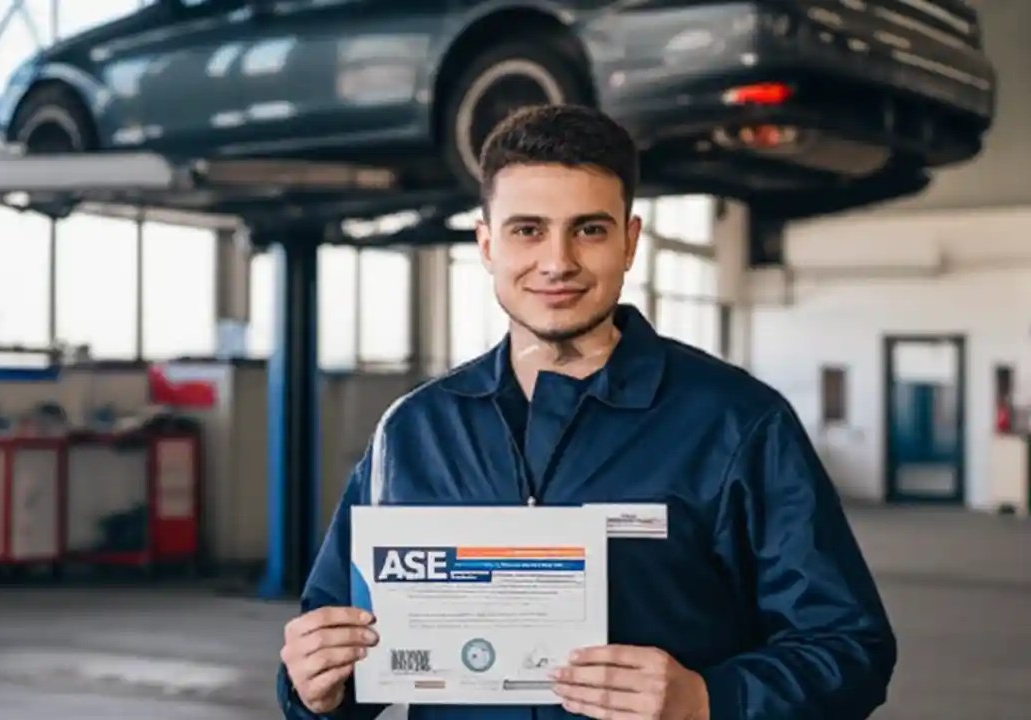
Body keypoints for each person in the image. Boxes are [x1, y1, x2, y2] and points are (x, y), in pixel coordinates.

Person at [277, 104, 896, 719]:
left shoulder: (736, 423)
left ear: (629, 242)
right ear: (486, 244)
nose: (557, 262)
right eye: (527, 230)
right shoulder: (413, 432)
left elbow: (848, 647)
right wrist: (313, 688)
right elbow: (347, 653)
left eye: (589, 230)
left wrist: (710, 700)